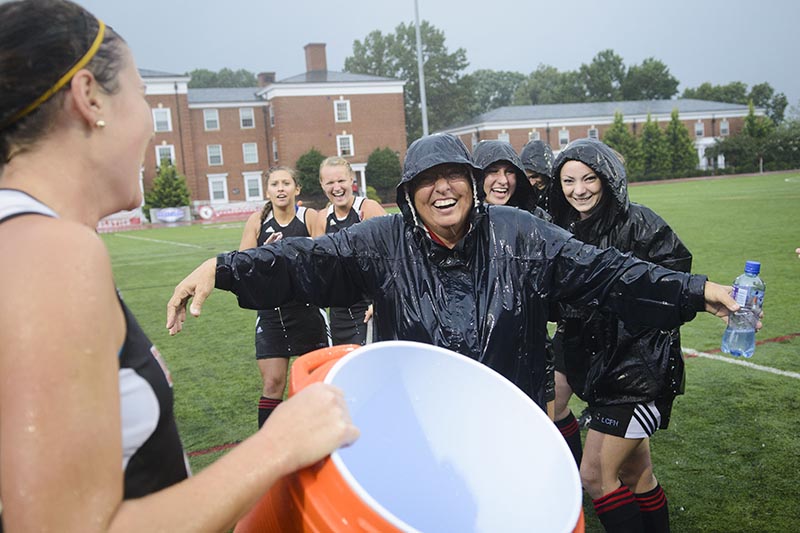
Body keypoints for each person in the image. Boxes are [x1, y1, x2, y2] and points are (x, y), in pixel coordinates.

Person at [0, 1, 358, 530]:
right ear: (88, 98)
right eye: (143, 96)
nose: (149, 122)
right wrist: (279, 445)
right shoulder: (48, 250)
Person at [167, 133, 745, 417]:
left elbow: (607, 272)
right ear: (409, 193)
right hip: (422, 417)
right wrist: (222, 268)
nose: (443, 187)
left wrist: (695, 291)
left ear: (471, 182)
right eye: (428, 178)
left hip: (508, 412)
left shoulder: (520, 233)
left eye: (454, 175)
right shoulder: (383, 241)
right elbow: (302, 262)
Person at [548, 138, 693, 533]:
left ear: (609, 178)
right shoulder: (565, 228)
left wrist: (625, 308)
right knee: (636, 474)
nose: (579, 190)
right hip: (600, 371)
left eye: (589, 179)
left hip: (638, 372)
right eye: (568, 181)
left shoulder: (641, 223)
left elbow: (677, 284)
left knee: (594, 475)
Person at [238, 166, 329, 428]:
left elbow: (325, 260)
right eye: (275, 184)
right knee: (272, 383)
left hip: (308, 310)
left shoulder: (310, 217)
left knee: (312, 382)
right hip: (271, 313)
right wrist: (264, 253)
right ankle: (269, 447)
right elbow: (243, 268)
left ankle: (315, 440)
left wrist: (294, 252)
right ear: (267, 191)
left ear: (296, 189)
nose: (280, 188)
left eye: (286, 183)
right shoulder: (257, 221)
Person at [312, 156, 385, 345]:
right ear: (322, 184)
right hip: (339, 313)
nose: (336, 187)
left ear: (352, 179)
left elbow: (392, 259)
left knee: (370, 369)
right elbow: (319, 268)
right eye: (330, 182)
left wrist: (380, 302)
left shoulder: (368, 208)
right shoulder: (322, 218)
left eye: (341, 180)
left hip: (369, 308)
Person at [472, 139, 550, 220]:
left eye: (509, 172)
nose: (504, 180)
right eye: (493, 171)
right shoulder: (464, 223)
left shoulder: (536, 219)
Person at [519, 139, 554, 211]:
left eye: (535, 176)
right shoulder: (522, 196)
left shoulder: (561, 196)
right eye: (527, 178)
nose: (531, 183)